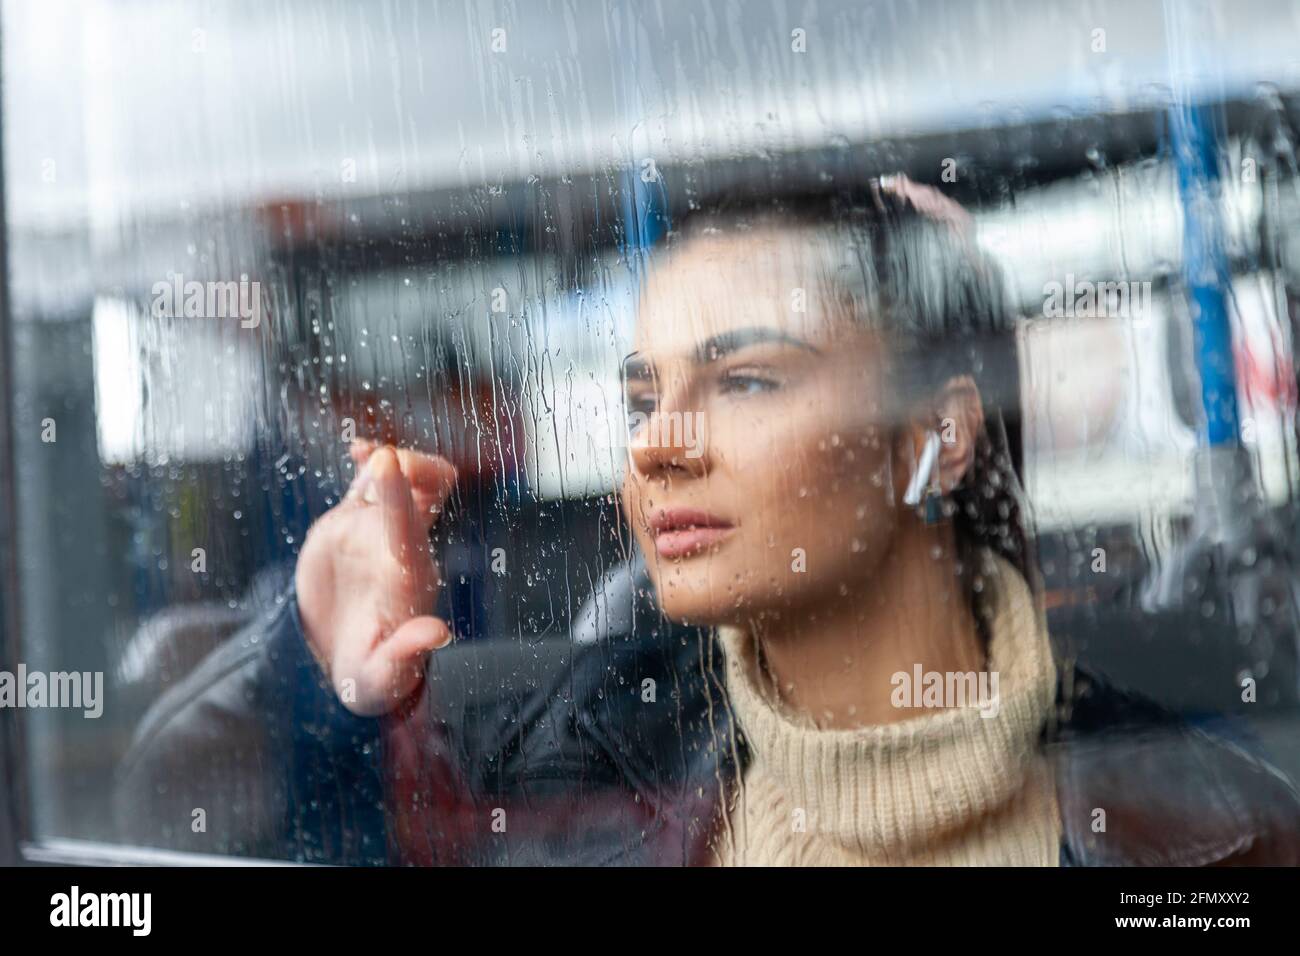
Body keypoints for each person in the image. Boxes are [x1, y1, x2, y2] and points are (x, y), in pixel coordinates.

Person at [116, 176, 1300, 866]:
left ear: (934, 437)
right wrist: (310, 667)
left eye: (744, 379)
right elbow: (170, 821)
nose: (657, 442)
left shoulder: (1207, 820)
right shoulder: (539, 750)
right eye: (642, 395)